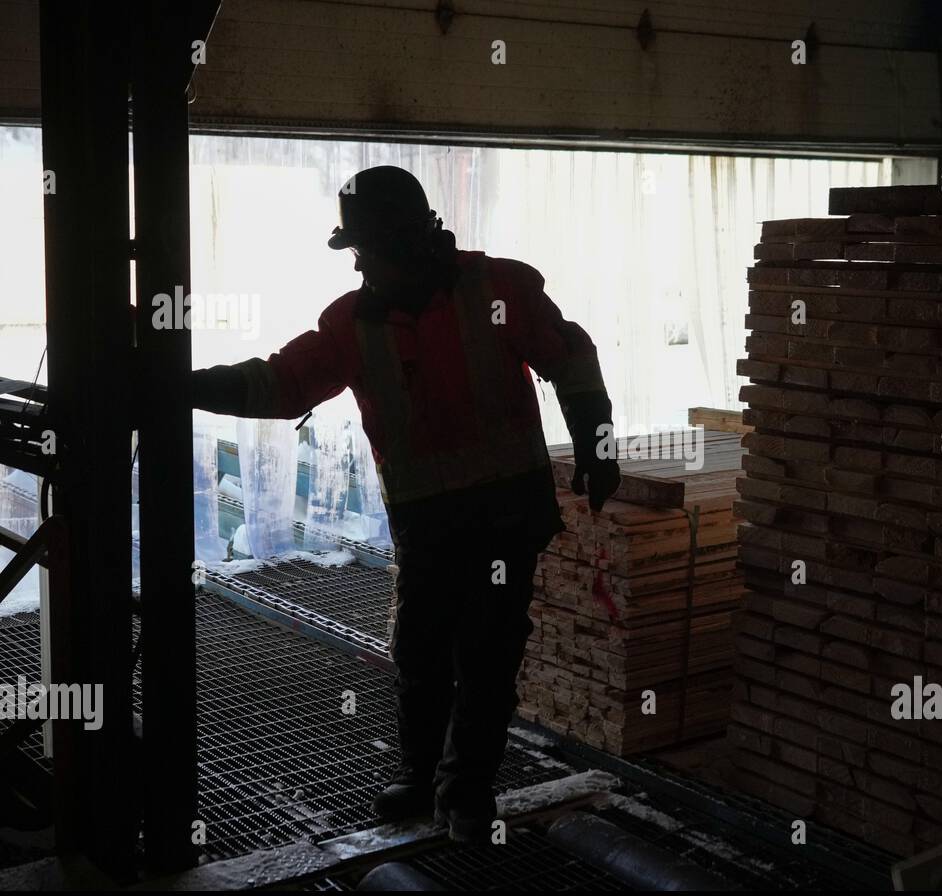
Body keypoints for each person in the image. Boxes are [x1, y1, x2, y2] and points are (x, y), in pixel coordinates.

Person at [190, 165, 620, 842]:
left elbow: (571, 358)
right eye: (356, 252)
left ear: (414, 240)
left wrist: (597, 442)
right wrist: (179, 385)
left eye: (368, 250)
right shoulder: (352, 323)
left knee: (485, 656)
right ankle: (422, 778)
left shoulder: (500, 288)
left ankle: (466, 794)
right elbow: (280, 385)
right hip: (429, 526)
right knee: (421, 653)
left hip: (505, 521)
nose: (360, 265)